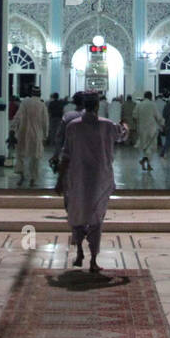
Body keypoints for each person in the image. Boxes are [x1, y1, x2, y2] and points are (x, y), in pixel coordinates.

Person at [60, 92, 124, 273]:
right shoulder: (107, 125)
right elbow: (122, 136)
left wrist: (59, 180)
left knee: (77, 214)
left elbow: (66, 154)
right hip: (100, 179)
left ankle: (80, 252)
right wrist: (125, 127)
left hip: (77, 178)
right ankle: (93, 260)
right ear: (97, 106)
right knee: (96, 218)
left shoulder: (73, 127)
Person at [9, 88, 48, 187]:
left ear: (31, 93)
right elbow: (45, 122)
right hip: (37, 134)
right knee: (35, 157)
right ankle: (33, 179)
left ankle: (22, 176)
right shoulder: (42, 105)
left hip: (23, 132)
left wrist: (12, 129)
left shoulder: (25, 103)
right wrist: (45, 135)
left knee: (21, 155)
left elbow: (17, 116)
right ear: (40, 94)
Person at [133, 91, 163, 170]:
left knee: (144, 146)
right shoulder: (153, 105)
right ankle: (146, 162)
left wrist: (137, 126)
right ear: (151, 97)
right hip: (151, 128)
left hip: (141, 128)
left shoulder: (139, 105)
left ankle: (145, 162)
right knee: (151, 146)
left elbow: (134, 116)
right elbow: (158, 117)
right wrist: (162, 124)